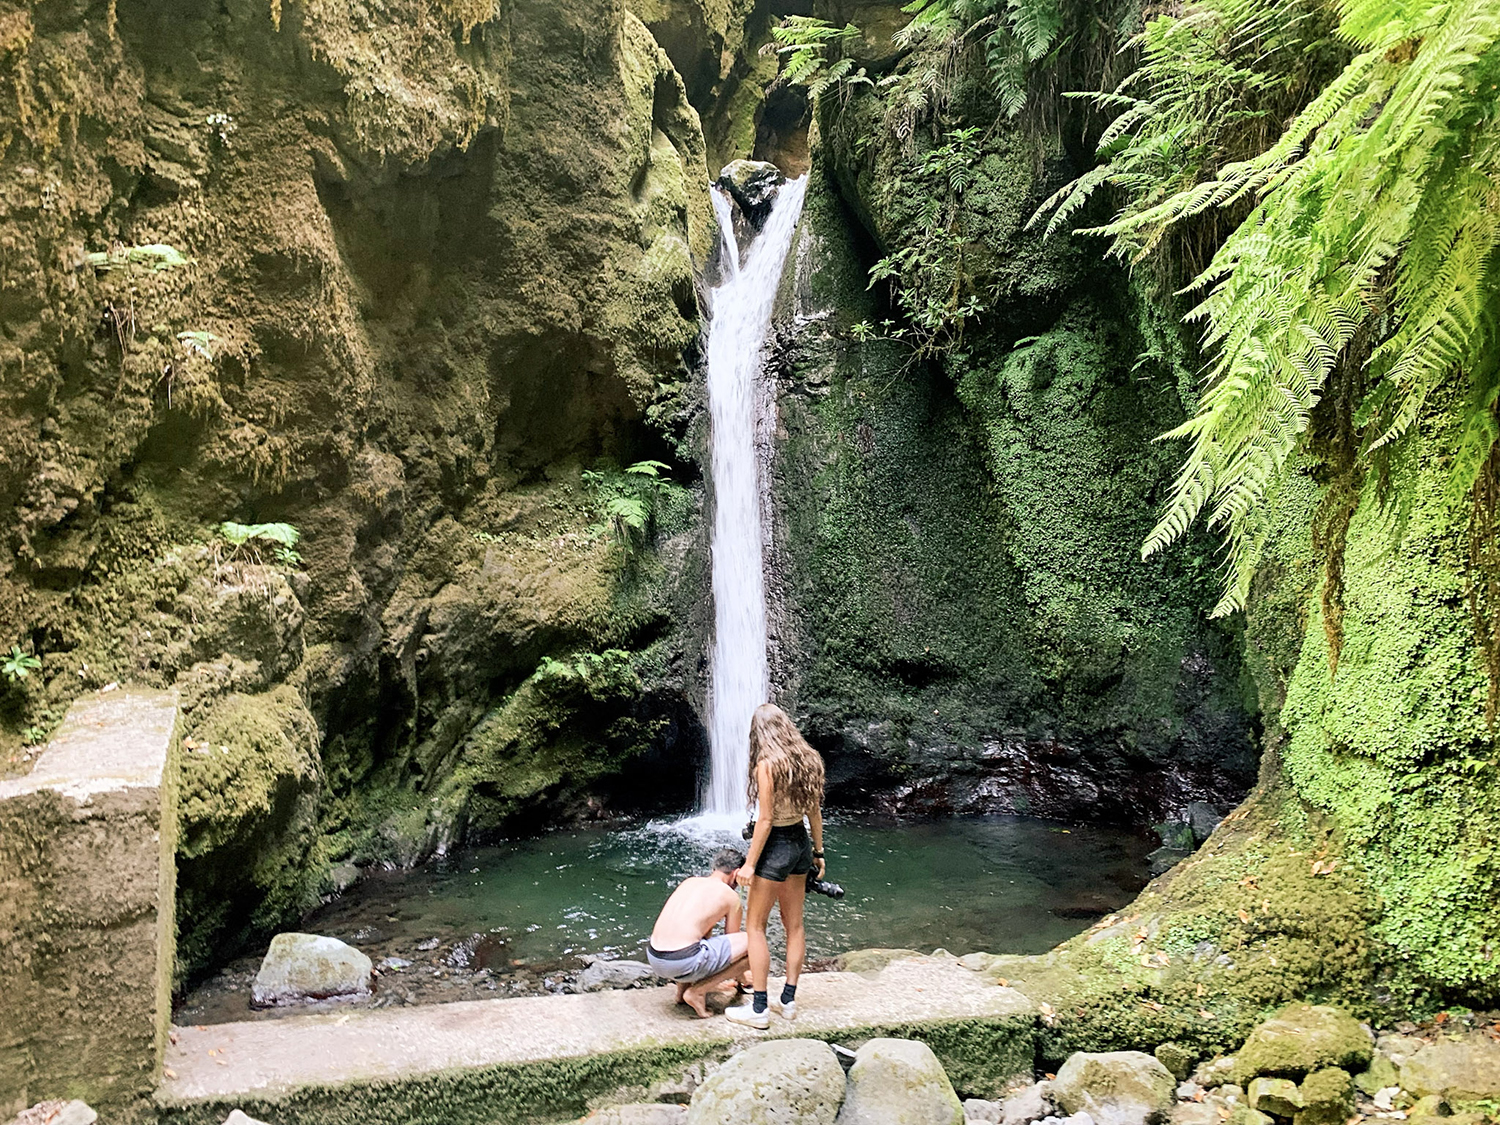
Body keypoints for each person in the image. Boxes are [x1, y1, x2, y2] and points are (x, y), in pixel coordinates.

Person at [726, 703, 826, 1030]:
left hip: (776, 846)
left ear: (759, 733)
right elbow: (814, 812)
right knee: (794, 925)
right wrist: (819, 853)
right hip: (800, 844)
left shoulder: (767, 765)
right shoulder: (808, 759)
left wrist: (749, 864)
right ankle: (789, 1001)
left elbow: (766, 820)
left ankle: (759, 1008)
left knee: (755, 927)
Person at [646, 847, 752, 1018]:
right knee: (754, 942)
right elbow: (734, 941)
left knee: (694, 938)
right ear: (736, 873)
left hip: (655, 958)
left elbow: (700, 933)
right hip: (681, 961)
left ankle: (681, 992)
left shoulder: (689, 882)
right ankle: (698, 991)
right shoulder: (730, 896)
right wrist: (743, 977)